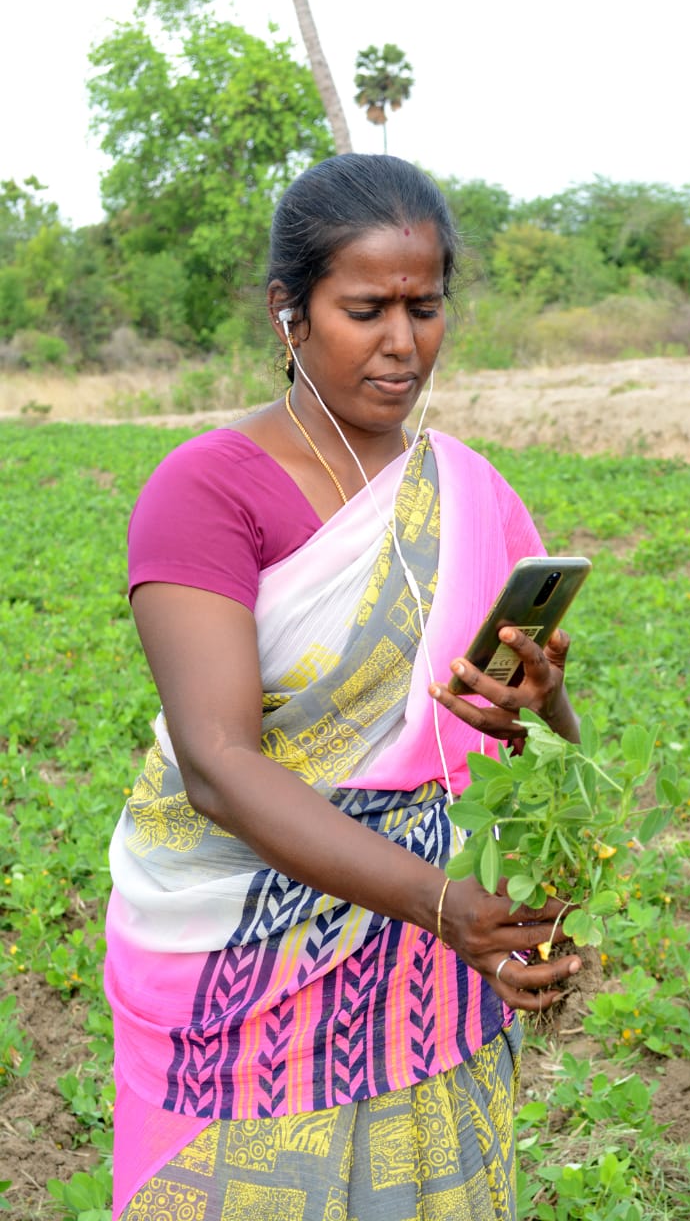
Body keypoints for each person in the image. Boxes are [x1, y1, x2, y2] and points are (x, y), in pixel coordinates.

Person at [106, 153, 584, 1221]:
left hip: (432, 969)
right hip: (243, 952)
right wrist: (438, 904)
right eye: (366, 308)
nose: (403, 341)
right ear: (289, 311)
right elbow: (221, 765)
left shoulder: (467, 491)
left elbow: (536, 744)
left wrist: (539, 705)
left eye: (426, 306)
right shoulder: (207, 490)